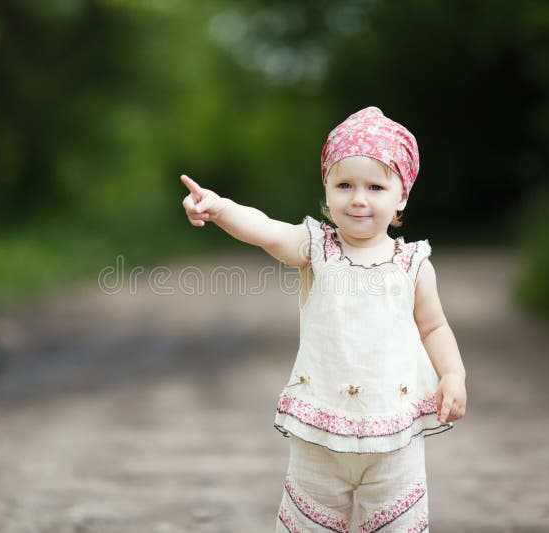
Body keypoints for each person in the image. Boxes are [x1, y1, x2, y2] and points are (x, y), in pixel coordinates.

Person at [180, 106, 467, 532]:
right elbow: (266, 229)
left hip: (394, 435)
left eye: (375, 186)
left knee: (399, 525)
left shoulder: (412, 264)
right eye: (344, 184)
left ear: (401, 194)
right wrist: (220, 208)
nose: (358, 198)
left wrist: (453, 374)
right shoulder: (315, 247)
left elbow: (434, 326)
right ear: (327, 189)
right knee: (308, 524)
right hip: (319, 432)